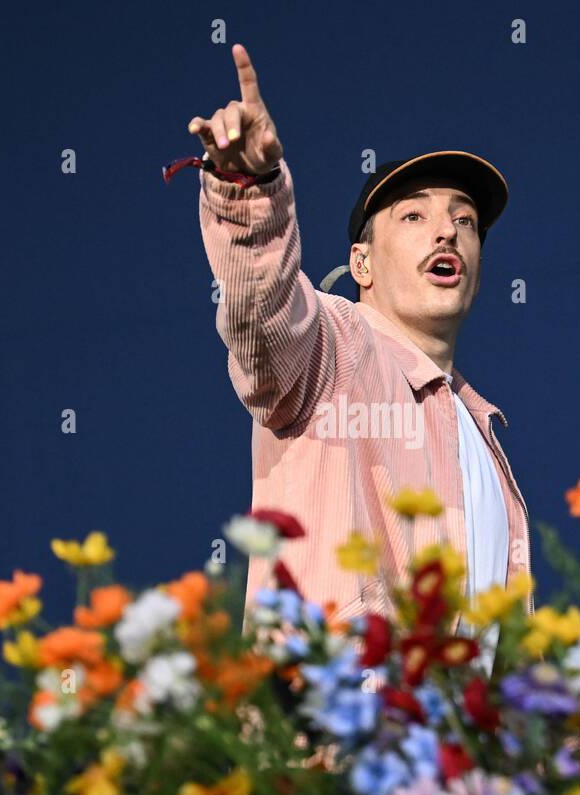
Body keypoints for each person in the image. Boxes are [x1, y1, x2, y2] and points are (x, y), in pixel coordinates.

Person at [171, 44, 533, 666]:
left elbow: (504, 671)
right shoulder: (335, 345)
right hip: (333, 752)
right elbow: (265, 318)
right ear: (361, 262)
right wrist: (247, 194)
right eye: (414, 216)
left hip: (459, 760)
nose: (447, 231)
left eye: (465, 221)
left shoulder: (483, 436)